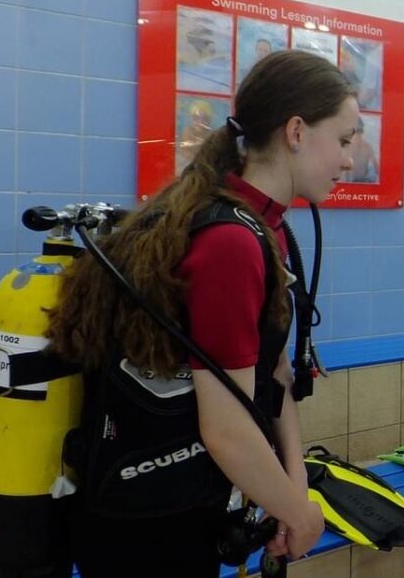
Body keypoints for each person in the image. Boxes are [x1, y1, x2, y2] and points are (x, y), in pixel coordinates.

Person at [48, 50, 358, 577]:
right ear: (298, 131)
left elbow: (274, 374)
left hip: (188, 501)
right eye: (345, 140)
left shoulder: (264, 228)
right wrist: (298, 515)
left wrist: (293, 489)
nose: (350, 160)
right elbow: (226, 428)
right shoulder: (231, 242)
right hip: (147, 525)